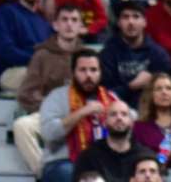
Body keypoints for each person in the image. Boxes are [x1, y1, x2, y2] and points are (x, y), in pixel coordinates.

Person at [14, 5, 85, 175]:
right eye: (64, 20)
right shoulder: (42, 54)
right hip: (48, 113)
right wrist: (52, 106)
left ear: (81, 27)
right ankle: (44, 171)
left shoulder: (87, 55)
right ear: (55, 25)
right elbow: (26, 93)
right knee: (22, 126)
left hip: (81, 114)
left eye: (74, 20)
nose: (69, 25)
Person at [39, 50, 116, 182]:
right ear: (73, 72)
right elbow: (49, 133)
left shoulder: (110, 98)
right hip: (63, 162)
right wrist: (82, 112)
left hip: (103, 161)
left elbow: (130, 119)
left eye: (93, 70)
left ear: (100, 72)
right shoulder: (57, 97)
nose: (88, 75)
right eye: (83, 70)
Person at [0, 0, 53, 93]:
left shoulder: (45, 22)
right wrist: (38, 61)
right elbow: (5, 51)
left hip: (41, 70)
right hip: (12, 72)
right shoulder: (5, 13)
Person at [100, 1, 171, 110]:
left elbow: (169, 91)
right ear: (119, 23)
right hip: (118, 112)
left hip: (153, 112)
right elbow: (105, 95)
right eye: (125, 17)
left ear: (144, 22)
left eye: (136, 16)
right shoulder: (107, 55)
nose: (131, 22)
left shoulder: (158, 54)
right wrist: (131, 86)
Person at [72, 99, 144, 182]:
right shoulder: (89, 156)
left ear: (132, 123)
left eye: (124, 114)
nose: (119, 118)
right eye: (113, 114)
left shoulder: (142, 155)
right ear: (104, 122)